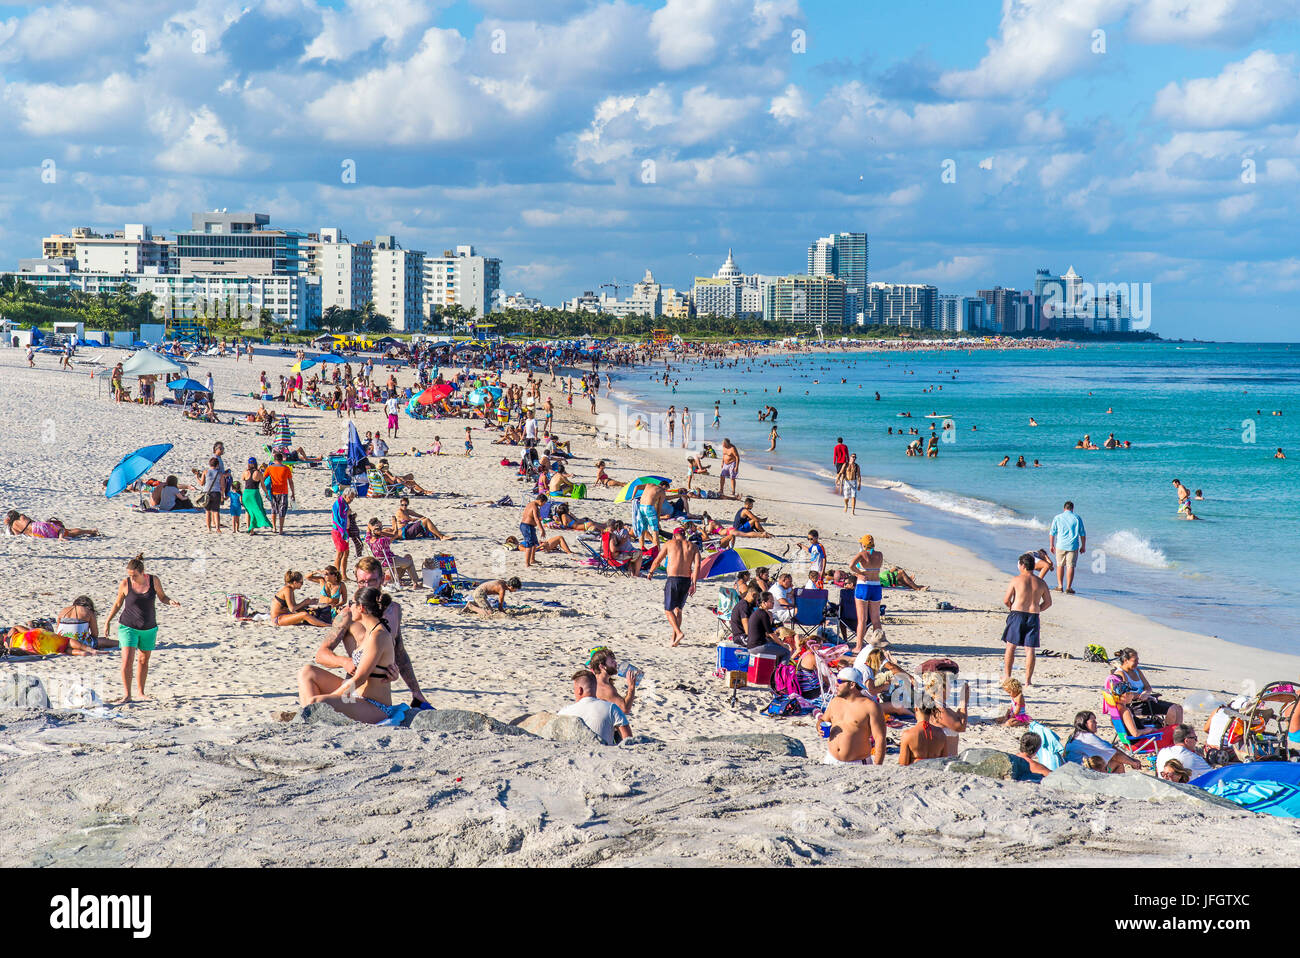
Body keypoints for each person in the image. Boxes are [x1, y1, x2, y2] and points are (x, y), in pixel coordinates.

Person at [299, 557, 430, 710]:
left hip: (373, 693)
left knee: (319, 702)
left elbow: (399, 652)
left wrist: (415, 691)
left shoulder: (394, 610)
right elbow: (321, 654)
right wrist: (344, 662)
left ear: (382, 579)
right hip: (352, 686)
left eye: (371, 581)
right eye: (362, 582)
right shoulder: (349, 614)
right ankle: (310, 714)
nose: (366, 586)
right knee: (307, 672)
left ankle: (314, 711)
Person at [298, 588, 403, 723]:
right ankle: (308, 717)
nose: (348, 608)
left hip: (375, 706)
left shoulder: (379, 636)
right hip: (356, 694)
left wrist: (332, 698)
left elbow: (360, 678)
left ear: (361, 608)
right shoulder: (371, 632)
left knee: (317, 702)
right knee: (307, 672)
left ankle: (308, 716)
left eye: (351, 604)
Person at [103, 553, 180, 705]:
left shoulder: (153, 580)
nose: (131, 578)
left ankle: (141, 693)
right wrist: (108, 621)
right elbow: (118, 603)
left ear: (142, 573)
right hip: (128, 627)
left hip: (149, 627)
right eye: (129, 575)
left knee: (143, 661)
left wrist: (170, 602)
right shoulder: (125, 584)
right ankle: (127, 695)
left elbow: (162, 597)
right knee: (127, 661)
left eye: (134, 575)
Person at [1001, 552, 1052, 685]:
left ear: (1023, 565)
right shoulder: (1041, 582)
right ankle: (1028, 681)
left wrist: (1011, 607)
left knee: (1011, 646)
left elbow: (1006, 600)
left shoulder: (1016, 580)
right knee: (1030, 649)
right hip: (1033, 615)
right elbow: (1048, 602)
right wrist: (1038, 609)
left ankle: (1007, 676)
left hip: (1017, 614)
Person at [820, 667, 886, 766]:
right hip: (831, 759)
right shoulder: (835, 701)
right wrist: (819, 726)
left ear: (852, 684)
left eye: (839, 681)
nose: (836, 684)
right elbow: (823, 720)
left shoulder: (870, 707)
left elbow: (880, 738)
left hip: (857, 763)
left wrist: (877, 766)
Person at [647, 526, 700, 647]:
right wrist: (694, 584)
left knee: (668, 610)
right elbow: (697, 566)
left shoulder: (669, 543)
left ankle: (679, 633)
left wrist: (651, 572)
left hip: (673, 579)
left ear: (675, 535)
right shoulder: (694, 547)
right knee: (678, 610)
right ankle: (674, 637)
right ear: (684, 535)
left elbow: (657, 560)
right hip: (686, 581)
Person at [1110, 647, 1183, 727]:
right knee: (1172, 709)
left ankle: (1175, 733)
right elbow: (1125, 694)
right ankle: (1167, 731)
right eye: (1135, 660)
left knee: (1178, 708)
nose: (1138, 662)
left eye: (1138, 660)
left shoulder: (1137, 671)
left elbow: (1148, 687)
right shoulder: (1121, 673)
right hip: (1135, 705)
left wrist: (1146, 693)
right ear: (1125, 660)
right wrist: (1140, 696)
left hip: (1146, 700)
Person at [559, 670, 631, 744]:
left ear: (580, 690)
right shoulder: (611, 708)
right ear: (595, 688)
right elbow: (628, 739)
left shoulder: (564, 712)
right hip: (604, 750)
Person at [1064, 711, 1142, 772]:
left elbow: (1111, 748)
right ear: (1084, 723)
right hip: (1083, 772)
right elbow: (1114, 754)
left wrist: (1131, 759)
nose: (1096, 723)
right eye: (1093, 721)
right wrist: (1133, 763)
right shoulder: (1087, 737)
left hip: (1074, 769)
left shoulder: (1074, 735)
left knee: (1110, 760)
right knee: (1117, 763)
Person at [848, 534, 884, 648]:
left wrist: (859, 573)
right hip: (876, 586)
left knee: (862, 619)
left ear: (863, 545)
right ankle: (878, 645)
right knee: (876, 619)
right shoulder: (879, 555)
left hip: (864, 586)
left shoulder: (862, 554)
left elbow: (851, 565)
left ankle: (859, 647)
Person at [366, 519, 421, 589]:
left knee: (406, 557)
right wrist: (394, 522)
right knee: (409, 562)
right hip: (389, 561)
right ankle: (415, 583)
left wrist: (372, 528)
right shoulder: (382, 541)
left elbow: (368, 528)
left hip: (379, 563)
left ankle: (398, 579)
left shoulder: (368, 540)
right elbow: (395, 534)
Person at [1048, 501, 1086, 593]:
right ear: (1072, 509)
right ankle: (1068, 587)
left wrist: (1051, 545)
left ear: (1064, 508)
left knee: (1060, 565)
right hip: (1073, 546)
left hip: (1060, 545)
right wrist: (1083, 546)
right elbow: (1082, 533)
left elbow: (1052, 532)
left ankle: (1060, 586)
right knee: (1070, 566)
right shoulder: (1077, 518)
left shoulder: (1058, 517)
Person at [744, 591, 791, 664]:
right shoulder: (763, 614)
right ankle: (782, 671)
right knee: (786, 652)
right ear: (764, 602)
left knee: (777, 647)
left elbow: (764, 632)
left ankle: (775, 670)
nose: (773, 603)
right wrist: (782, 644)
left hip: (752, 646)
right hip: (758, 646)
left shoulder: (757, 613)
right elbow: (771, 633)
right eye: (771, 601)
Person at [586, 647, 637, 713]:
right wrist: (631, 686)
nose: (616, 663)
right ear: (602, 666)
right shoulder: (605, 688)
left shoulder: (594, 681)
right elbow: (625, 709)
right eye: (612, 662)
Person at [898, 701, 948, 765]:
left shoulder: (907, 735)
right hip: (934, 769)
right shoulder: (941, 734)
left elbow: (903, 763)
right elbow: (944, 762)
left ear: (916, 708)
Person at [3, 512, 99, 539]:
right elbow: (32, 521)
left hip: (36, 534)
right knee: (66, 531)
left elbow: (17, 535)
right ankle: (90, 531)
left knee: (66, 533)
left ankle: (90, 531)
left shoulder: (13, 527)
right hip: (38, 525)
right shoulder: (22, 517)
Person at [241, 459, 272, 533]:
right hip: (254, 493)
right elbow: (263, 485)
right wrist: (267, 493)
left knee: (248, 511)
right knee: (255, 511)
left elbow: (243, 479)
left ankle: (249, 528)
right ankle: (251, 530)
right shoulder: (259, 473)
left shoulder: (245, 472)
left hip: (246, 493)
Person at [331, 488, 356, 578]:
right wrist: (347, 513)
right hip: (339, 532)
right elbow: (337, 520)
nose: (351, 500)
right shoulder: (338, 504)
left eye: (353, 498)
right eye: (350, 498)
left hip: (345, 531)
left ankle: (344, 575)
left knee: (346, 553)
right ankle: (336, 576)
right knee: (339, 554)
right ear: (345, 496)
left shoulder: (345, 503)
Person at [519, 493, 547, 567]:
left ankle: (532, 559)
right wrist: (542, 530)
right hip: (527, 526)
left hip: (528, 526)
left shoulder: (530, 504)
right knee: (529, 544)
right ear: (541, 501)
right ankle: (527, 563)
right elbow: (536, 519)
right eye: (544, 503)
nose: (543, 505)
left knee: (534, 543)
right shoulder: (534, 506)